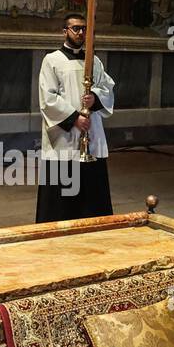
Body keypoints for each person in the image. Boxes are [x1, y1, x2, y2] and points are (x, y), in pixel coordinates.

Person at [36, 13, 116, 222]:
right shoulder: (52, 60)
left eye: (84, 29)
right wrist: (74, 119)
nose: (80, 33)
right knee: (62, 195)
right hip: (64, 136)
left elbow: (107, 88)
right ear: (65, 31)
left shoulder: (94, 61)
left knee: (91, 194)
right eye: (75, 28)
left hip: (91, 133)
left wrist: (95, 99)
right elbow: (47, 98)